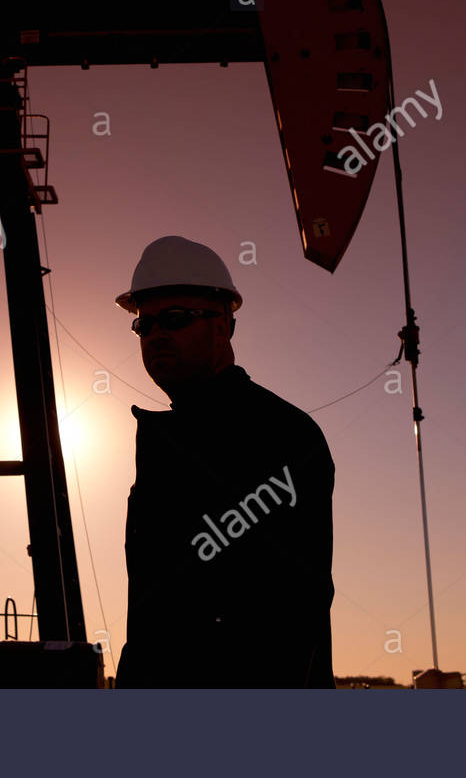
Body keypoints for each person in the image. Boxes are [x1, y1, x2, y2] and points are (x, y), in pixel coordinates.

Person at [113, 236, 335, 688]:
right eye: (144, 324)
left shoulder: (280, 437)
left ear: (223, 326)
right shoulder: (169, 444)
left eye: (174, 319)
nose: (155, 334)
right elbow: (157, 612)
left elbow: (287, 614)